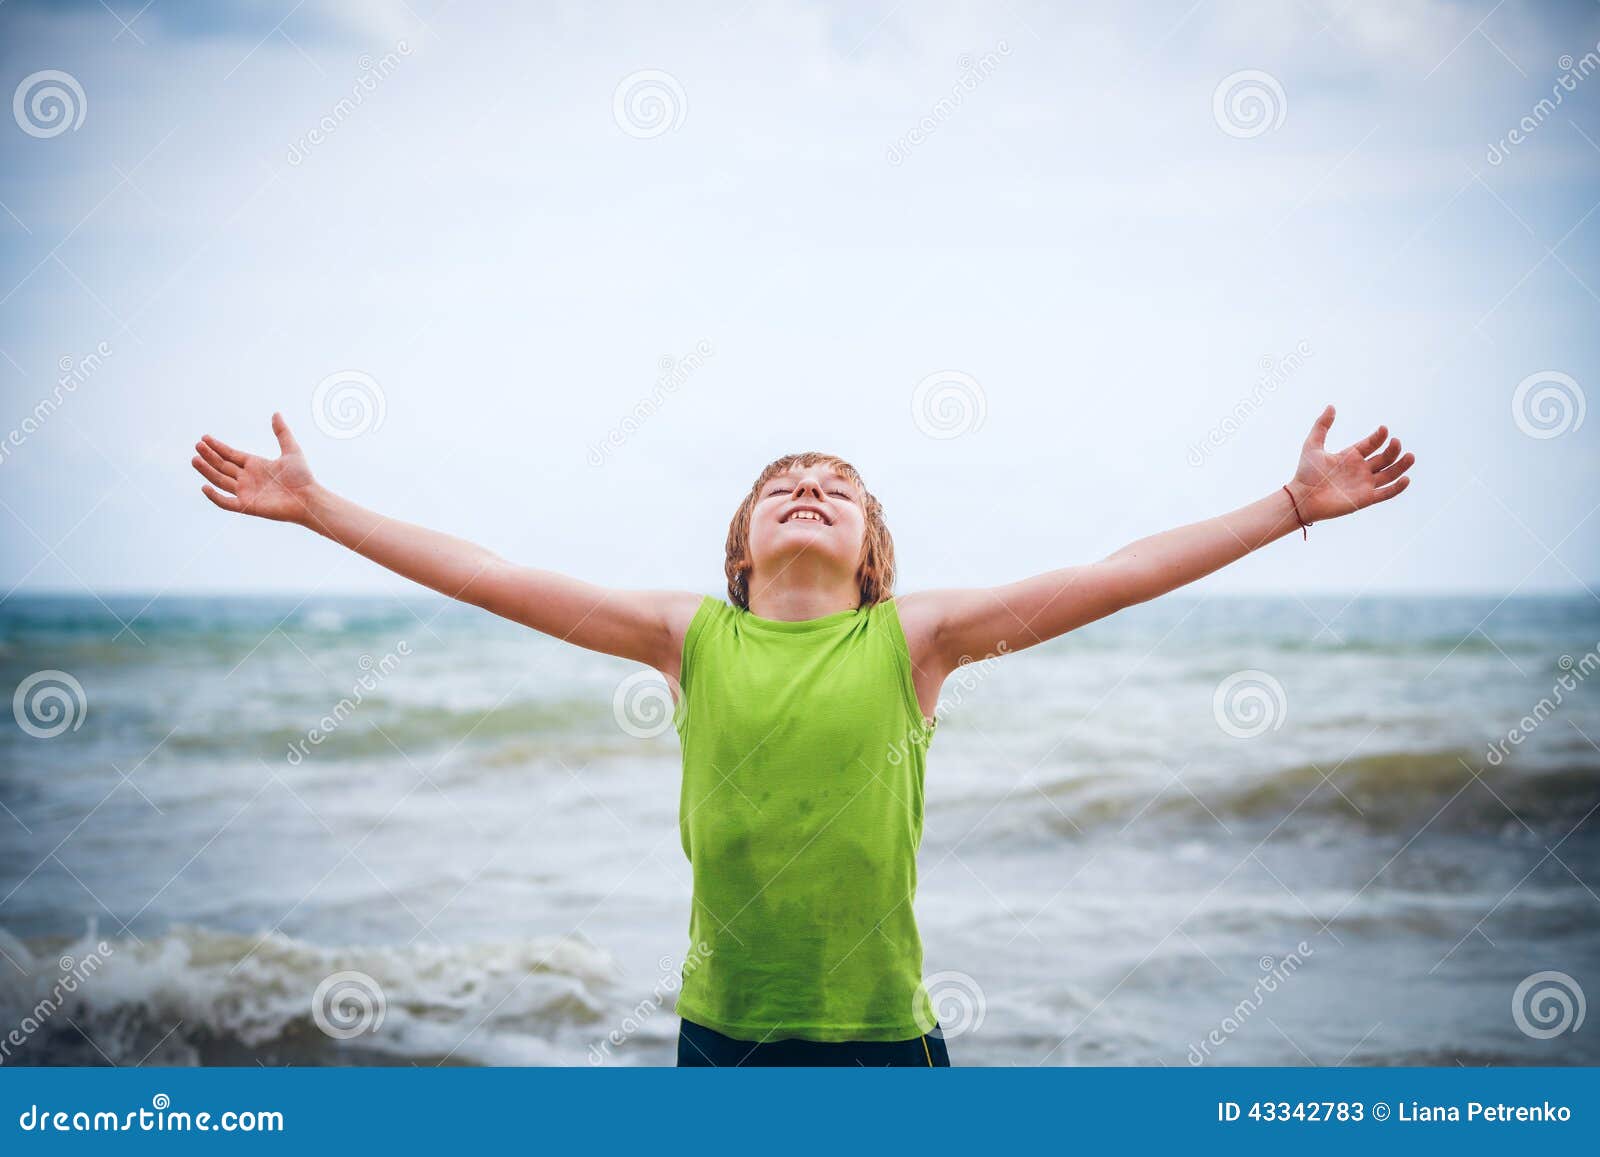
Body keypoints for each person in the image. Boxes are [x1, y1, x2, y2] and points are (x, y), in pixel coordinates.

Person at [192, 405, 1413, 1066]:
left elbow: (1117, 573)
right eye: (782, 483)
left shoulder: (914, 639)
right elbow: (489, 574)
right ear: (741, 548)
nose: (809, 488)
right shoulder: (685, 635)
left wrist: (1290, 504)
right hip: (720, 1031)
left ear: (872, 552)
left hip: (880, 1036)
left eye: (838, 485)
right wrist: (318, 508)